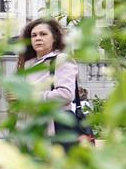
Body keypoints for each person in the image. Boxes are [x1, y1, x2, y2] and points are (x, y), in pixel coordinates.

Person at [17, 18, 80, 153]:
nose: (37, 38)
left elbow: (66, 94)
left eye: (43, 34)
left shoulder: (62, 60)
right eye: (34, 35)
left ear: (55, 38)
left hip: (52, 130)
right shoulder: (28, 65)